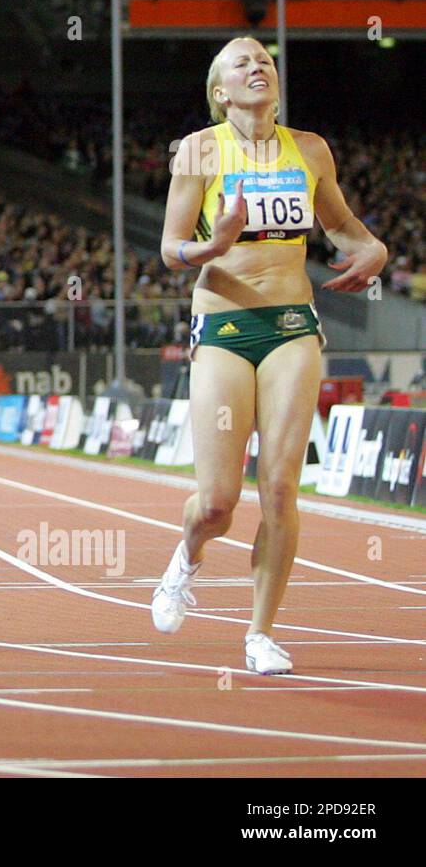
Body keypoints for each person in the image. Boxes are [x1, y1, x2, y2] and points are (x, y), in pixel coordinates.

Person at [152, 36, 387, 675]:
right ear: (220, 92)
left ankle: (260, 633)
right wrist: (211, 247)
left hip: (291, 325)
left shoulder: (310, 150)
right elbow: (171, 247)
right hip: (224, 323)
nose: (257, 67)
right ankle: (187, 558)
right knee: (217, 502)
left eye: (264, 60)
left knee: (280, 487)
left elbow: (343, 227)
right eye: (242, 62)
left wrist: (374, 251)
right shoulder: (200, 150)